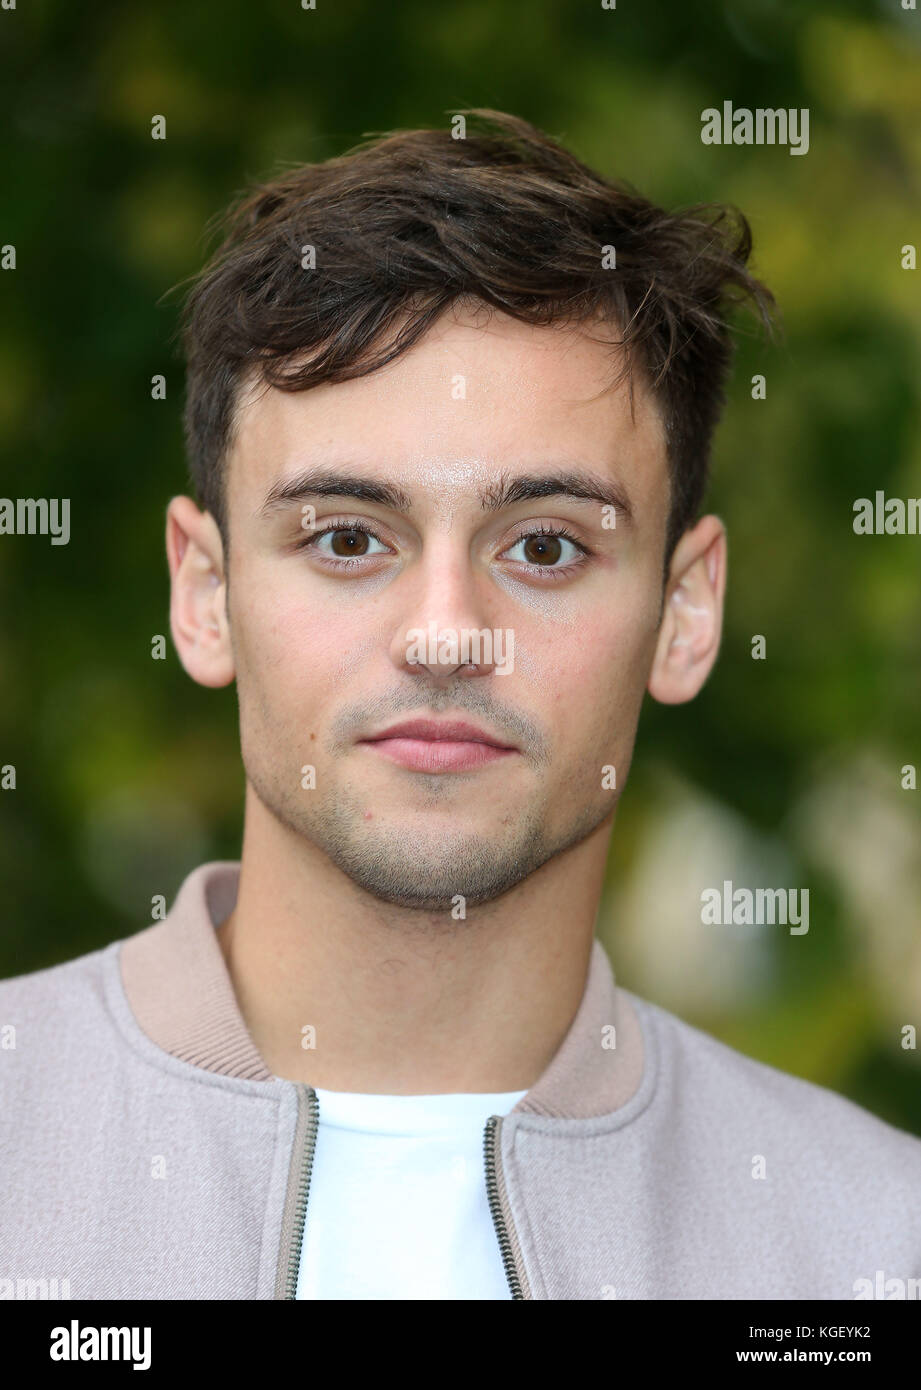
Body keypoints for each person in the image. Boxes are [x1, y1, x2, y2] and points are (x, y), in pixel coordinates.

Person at [2, 110, 919, 1302]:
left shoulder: (873, 1251)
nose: (445, 633)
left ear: (687, 612)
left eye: (542, 546)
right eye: (345, 537)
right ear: (206, 595)